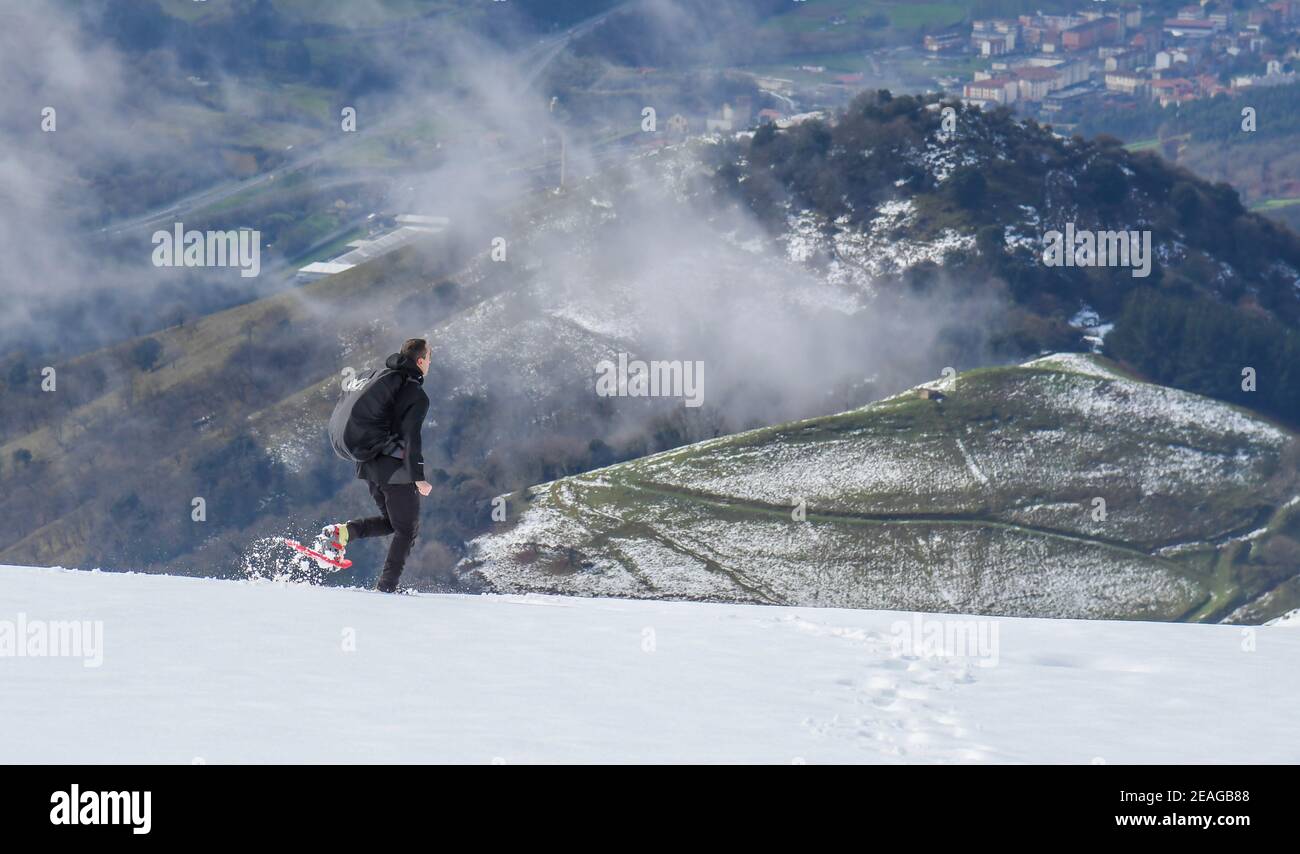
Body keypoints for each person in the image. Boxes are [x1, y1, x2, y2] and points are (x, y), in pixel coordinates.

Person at [317, 338, 433, 593]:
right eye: (430, 359)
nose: (430, 364)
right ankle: (387, 588)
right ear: (421, 361)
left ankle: (343, 533)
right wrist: (419, 476)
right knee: (407, 530)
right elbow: (411, 436)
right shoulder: (415, 394)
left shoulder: (385, 380)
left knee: (393, 523)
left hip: (368, 465)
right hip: (394, 470)